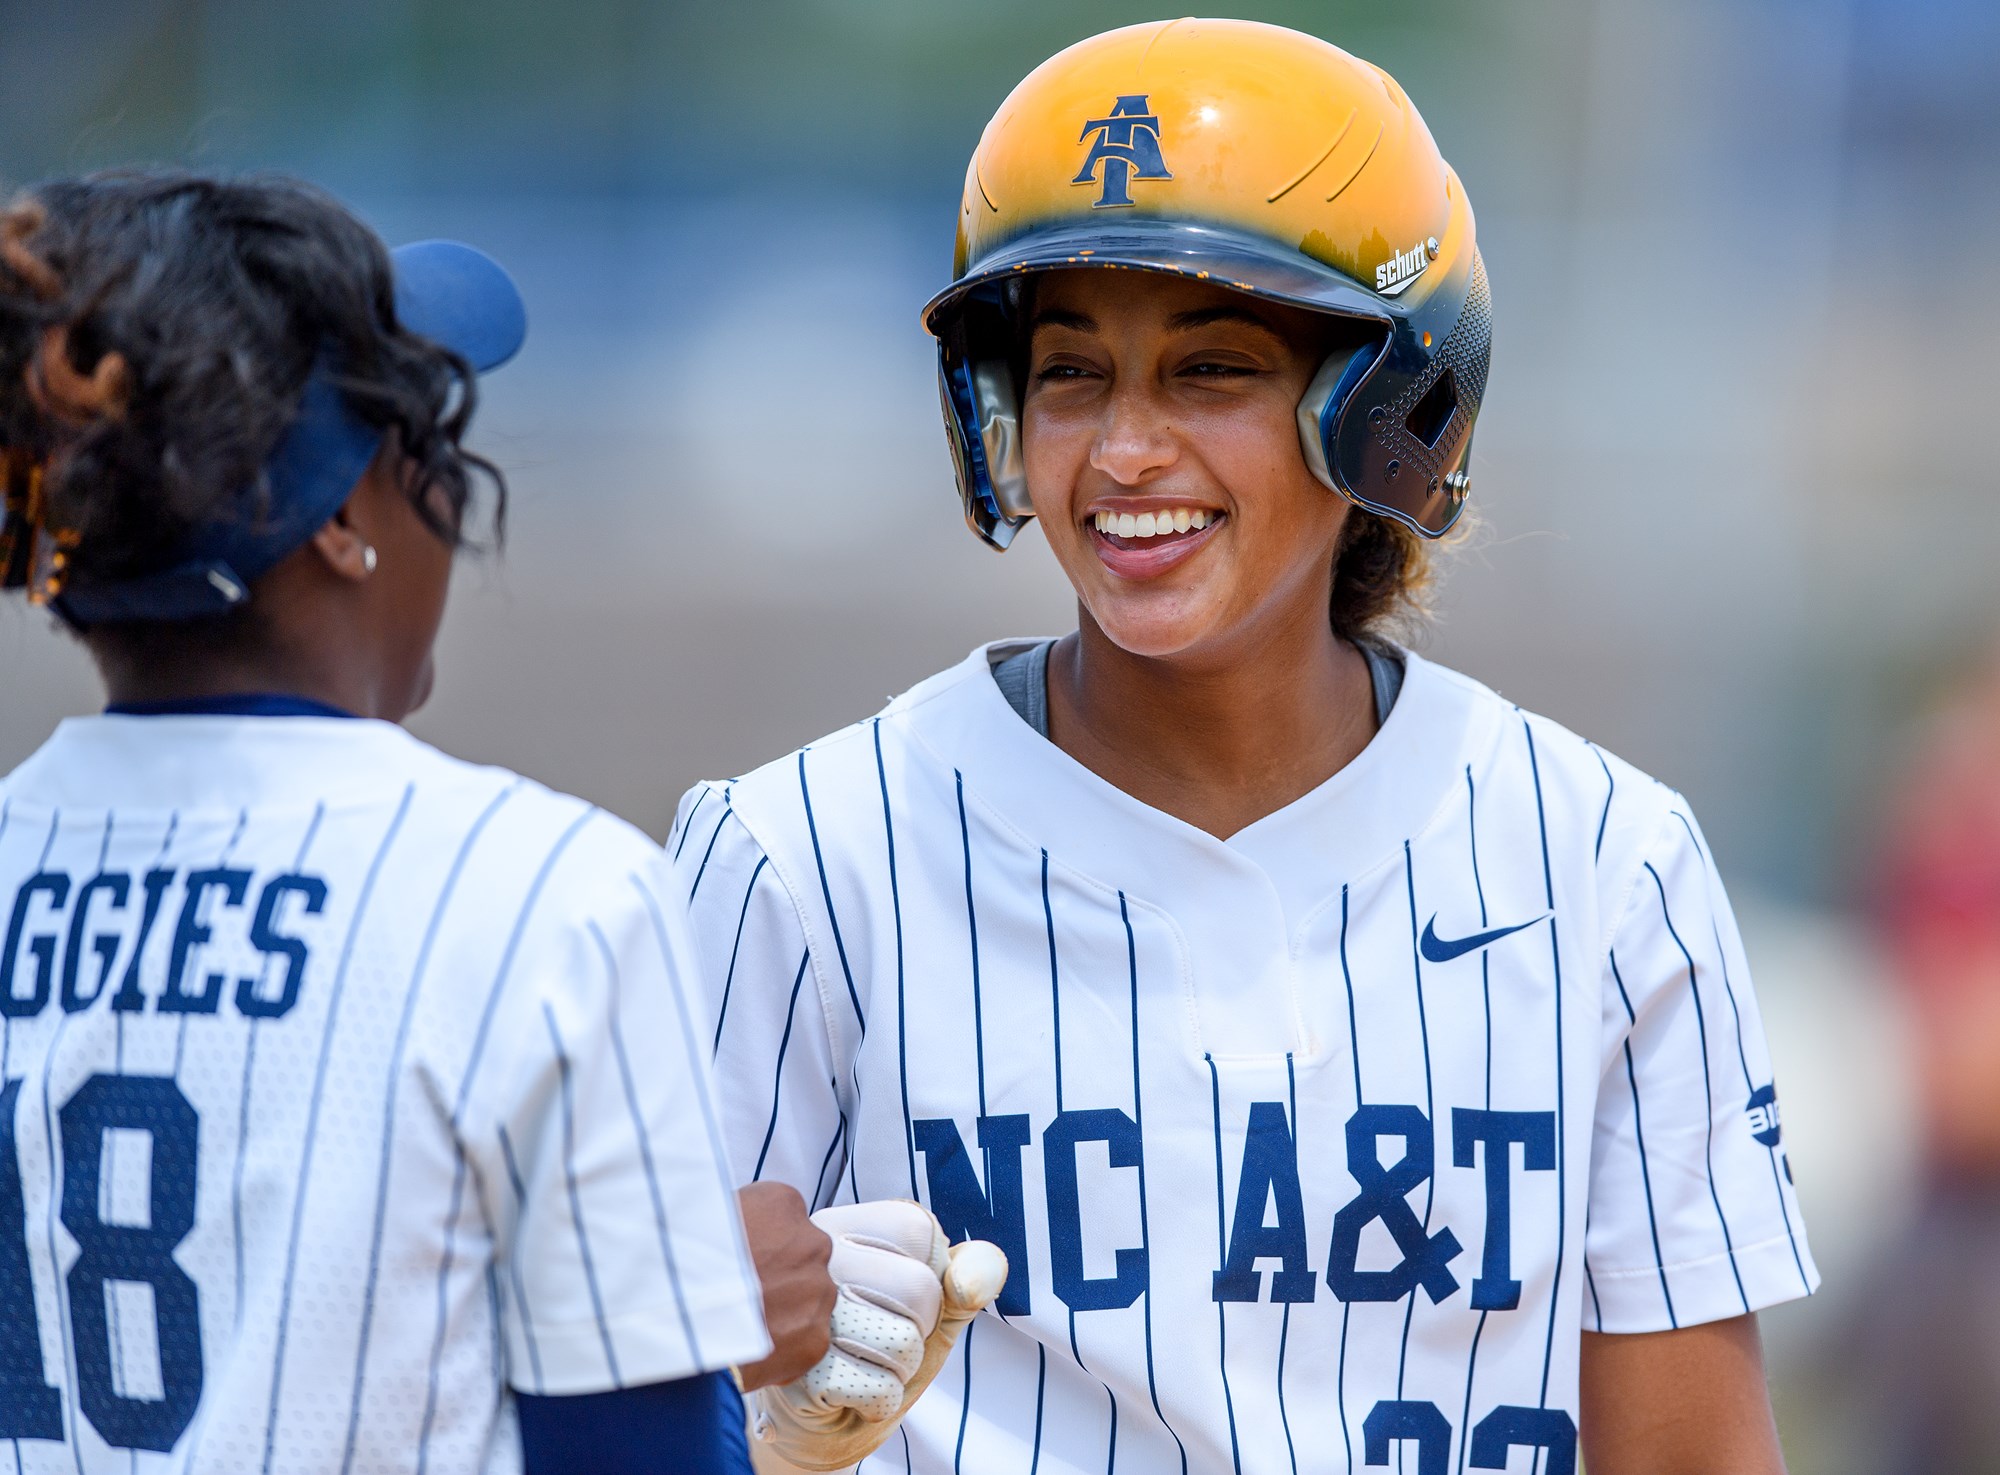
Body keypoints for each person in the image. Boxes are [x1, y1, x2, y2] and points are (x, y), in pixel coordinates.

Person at [673, 19, 1817, 1474]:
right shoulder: (802, 855)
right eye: (1072, 374)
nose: (1125, 451)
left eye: (1210, 370)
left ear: (1390, 405)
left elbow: (1692, 1457)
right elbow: (598, 1400)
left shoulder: (1605, 864)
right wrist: (750, 1423)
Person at [0, 170, 978, 1474]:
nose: (452, 499)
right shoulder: (539, 892)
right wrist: (698, 1334)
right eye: (429, 443)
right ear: (346, 517)